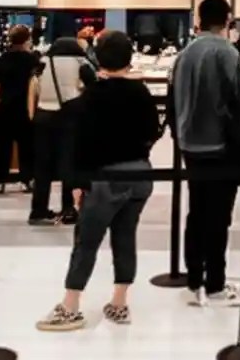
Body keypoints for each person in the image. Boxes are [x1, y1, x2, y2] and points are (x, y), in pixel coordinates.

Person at [37, 31, 158, 331]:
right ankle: (119, 302)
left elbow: (80, 145)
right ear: (129, 59)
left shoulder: (89, 98)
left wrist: (78, 183)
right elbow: (153, 131)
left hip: (104, 179)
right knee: (125, 236)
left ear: (97, 58)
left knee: (87, 242)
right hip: (140, 175)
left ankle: (71, 305)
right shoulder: (141, 93)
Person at [171, 0, 240, 307]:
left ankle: (194, 277)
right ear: (227, 19)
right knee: (219, 216)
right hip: (220, 146)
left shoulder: (184, 54)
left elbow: (172, 100)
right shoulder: (227, 52)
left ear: (199, 18)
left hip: (189, 145)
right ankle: (217, 284)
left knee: (197, 212)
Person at [32, 36, 97, 225]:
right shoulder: (81, 63)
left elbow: (35, 87)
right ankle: (68, 208)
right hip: (69, 116)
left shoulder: (43, 62)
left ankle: (38, 209)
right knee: (68, 162)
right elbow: (93, 88)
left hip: (43, 115)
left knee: (42, 166)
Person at [0, 25, 38, 194]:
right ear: (27, 40)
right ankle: (27, 179)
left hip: (5, 107)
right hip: (25, 107)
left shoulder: (3, 58)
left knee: (3, 146)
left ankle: (0, 180)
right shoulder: (32, 59)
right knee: (26, 146)